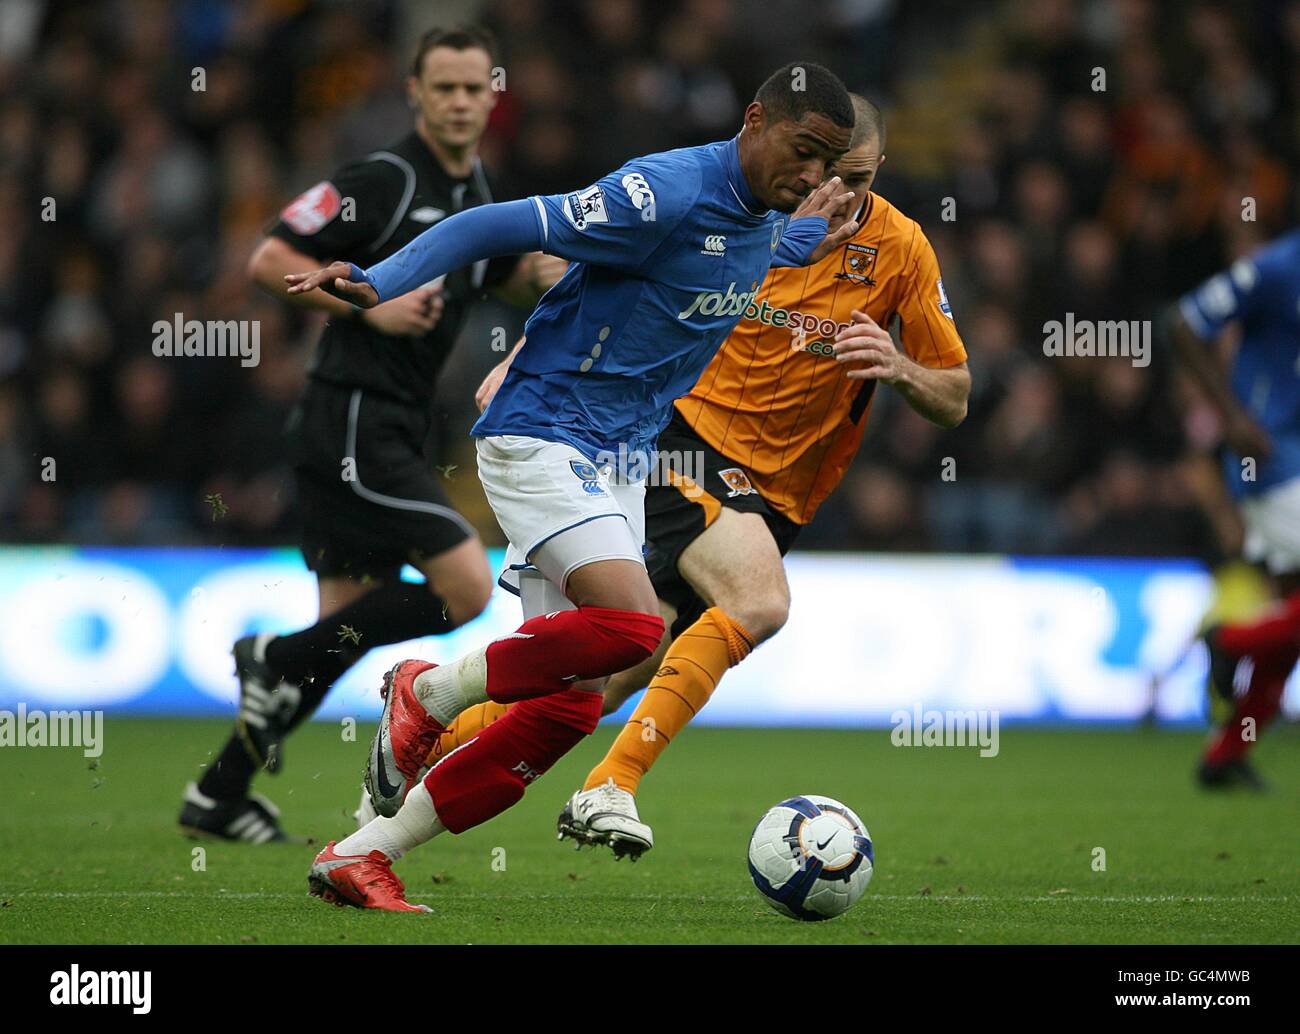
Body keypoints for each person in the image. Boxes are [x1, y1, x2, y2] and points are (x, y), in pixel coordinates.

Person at [286, 61, 860, 911]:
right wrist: (382, 280)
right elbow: (494, 222)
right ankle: (427, 691)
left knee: (565, 712)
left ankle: (362, 853)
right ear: (754, 120)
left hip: (616, 460)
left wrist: (815, 230)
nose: (812, 176)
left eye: (829, 166)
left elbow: (759, 250)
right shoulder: (660, 192)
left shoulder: (765, 219)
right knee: (632, 627)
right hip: (543, 432)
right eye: (804, 152)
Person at [435, 96, 971, 858]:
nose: (832, 192)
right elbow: (608, 281)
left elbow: (954, 394)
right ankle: (608, 786)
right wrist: (526, 358)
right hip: (677, 436)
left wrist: (901, 367)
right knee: (759, 599)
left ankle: (424, 735)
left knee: (611, 672)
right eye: (821, 171)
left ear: (877, 168)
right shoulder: (751, 218)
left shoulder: (902, 251)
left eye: (853, 176)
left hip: (781, 490)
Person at [178, 25, 565, 843]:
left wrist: (571, 263)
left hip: (388, 423)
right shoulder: (382, 180)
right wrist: (371, 301)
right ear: (415, 93)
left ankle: (220, 791)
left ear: (493, 96)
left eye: (473, 88)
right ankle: (273, 659)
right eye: (445, 88)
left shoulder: (479, 189)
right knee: (464, 587)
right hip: (351, 418)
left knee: (343, 632)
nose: (460, 102)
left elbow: (505, 270)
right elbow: (266, 259)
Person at [1170, 227, 1300, 790]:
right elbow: (1185, 323)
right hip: (1271, 458)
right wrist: (1233, 417)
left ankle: (1227, 754)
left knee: (1293, 624)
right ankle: (1229, 640)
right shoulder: (1276, 268)